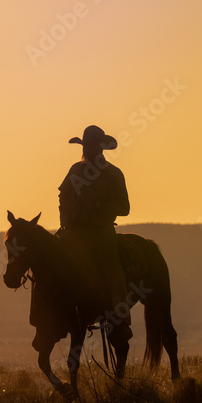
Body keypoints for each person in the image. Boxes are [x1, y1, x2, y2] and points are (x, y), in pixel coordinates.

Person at [58, 125, 131, 333]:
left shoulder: (114, 174)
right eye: (88, 145)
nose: (90, 150)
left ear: (101, 148)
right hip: (75, 230)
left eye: (94, 145)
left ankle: (120, 318)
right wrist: (65, 220)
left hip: (102, 231)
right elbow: (63, 196)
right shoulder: (75, 170)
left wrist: (100, 207)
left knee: (112, 268)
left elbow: (124, 208)